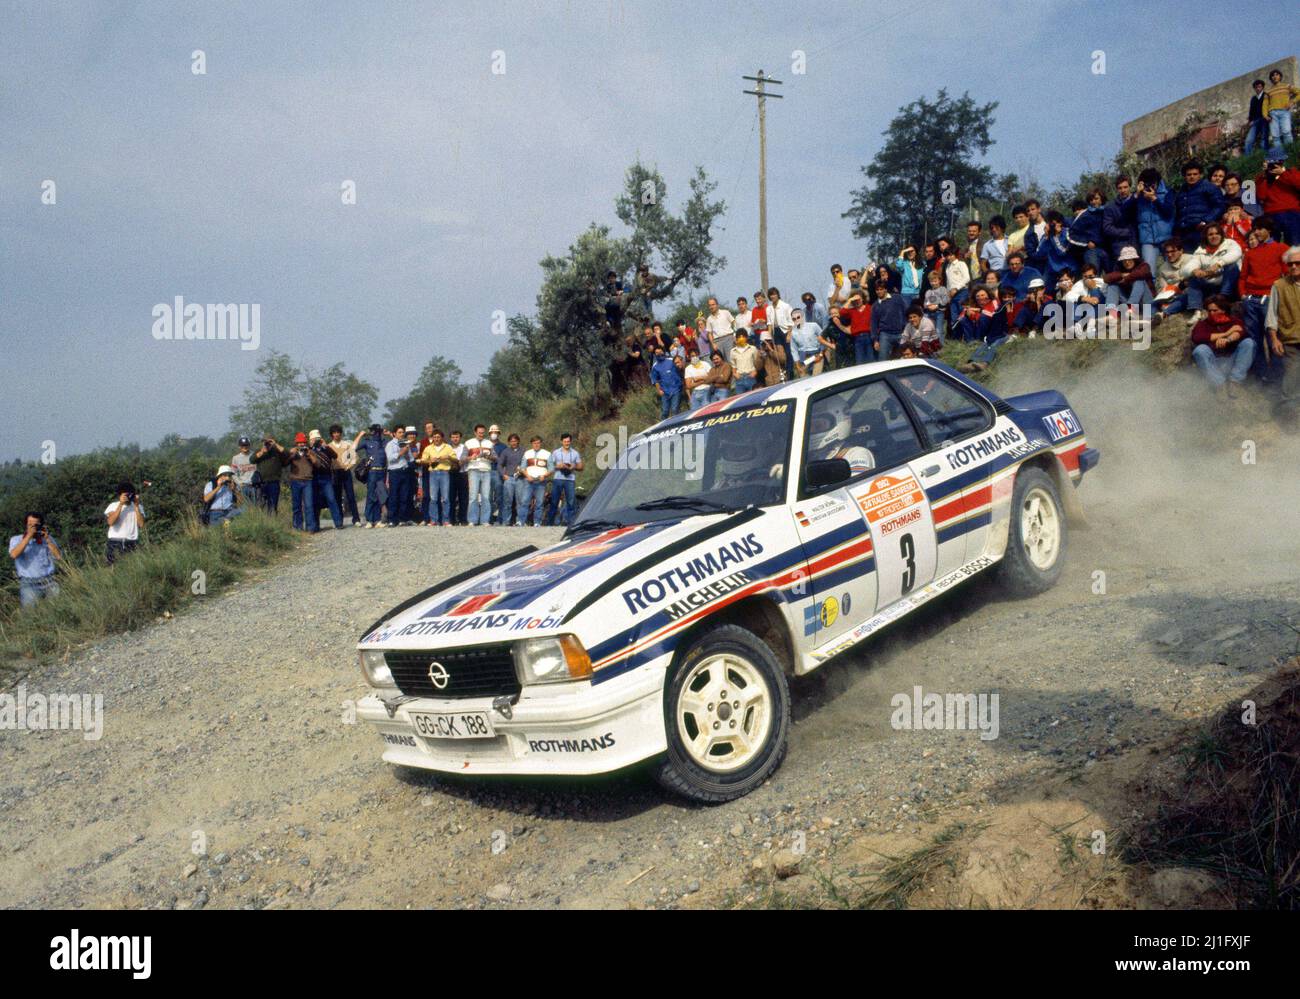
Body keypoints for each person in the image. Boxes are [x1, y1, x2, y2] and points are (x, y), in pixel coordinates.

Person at [1238, 215, 1289, 380]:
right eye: (1255, 229)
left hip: (1269, 298)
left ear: (1269, 230)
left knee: (1273, 336)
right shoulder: (1251, 253)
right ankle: (1261, 375)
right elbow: (1243, 277)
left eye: (1260, 229)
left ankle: (1277, 376)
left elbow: (1287, 274)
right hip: (1250, 300)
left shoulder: (1281, 248)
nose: (1257, 232)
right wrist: (1243, 295)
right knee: (1254, 339)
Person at [1191, 295, 1255, 398]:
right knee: (1199, 350)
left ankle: (1235, 382)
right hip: (1214, 363)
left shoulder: (1234, 321)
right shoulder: (1203, 324)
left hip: (1232, 361)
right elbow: (1197, 337)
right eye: (1209, 311)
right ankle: (1219, 384)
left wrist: (1228, 339)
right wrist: (1226, 334)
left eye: (1215, 310)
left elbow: (1239, 332)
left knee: (1249, 343)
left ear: (1223, 310)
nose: (1211, 313)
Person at [1265, 246, 1300, 424]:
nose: (1293, 267)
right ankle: (1289, 420)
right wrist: (1274, 338)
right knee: (1292, 376)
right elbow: (1272, 315)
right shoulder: (1279, 286)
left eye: (1297, 263)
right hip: (1290, 339)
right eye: (1290, 264)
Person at [1174, 161, 1226, 260]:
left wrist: (1205, 221)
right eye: (1189, 174)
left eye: (1195, 174)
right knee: (1188, 262)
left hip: (1201, 231)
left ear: (1200, 175)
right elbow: (1178, 211)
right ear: (1184, 176)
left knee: (1204, 260)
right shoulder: (1181, 191)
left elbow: (1219, 206)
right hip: (1184, 233)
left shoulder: (1209, 187)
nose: (1192, 177)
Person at [9, 513, 62, 608]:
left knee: (56, 610)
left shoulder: (47, 539)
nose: (33, 527)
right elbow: (14, 555)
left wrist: (47, 539)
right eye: (30, 525)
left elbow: (58, 557)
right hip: (29, 584)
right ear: (26, 525)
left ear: (41, 525)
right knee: (30, 615)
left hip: (50, 581)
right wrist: (29, 536)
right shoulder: (16, 539)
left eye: (36, 525)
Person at [1134, 168, 1176, 278]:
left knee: (1173, 268)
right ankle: (1151, 294)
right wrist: (1136, 196)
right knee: (1148, 273)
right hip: (1148, 239)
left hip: (1166, 237)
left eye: (1152, 184)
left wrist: (1154, 199)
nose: (1150, 187)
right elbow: (1125, 212)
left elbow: (1168, 212)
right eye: (1147, 184)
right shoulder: (1138, 196)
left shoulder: (1168, 192)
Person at [1255, 158, 1300, 246]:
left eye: (1276, 163)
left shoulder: (1291, 172)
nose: (1273, 166)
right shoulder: (1262, 177)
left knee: (1295, 244)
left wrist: (1283, 173)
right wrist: (1265, 176)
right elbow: (1261, 196)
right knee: (1271, 244)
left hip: (1291, 212)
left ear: (1281, 163)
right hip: (1271, 214)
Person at [418, 428, 456, 526]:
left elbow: (456, 459)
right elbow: (422, 460)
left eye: (438, 437)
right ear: (432, 438)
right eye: (434, 437)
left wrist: (448, 457)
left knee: (445, 498)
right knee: (433, 498)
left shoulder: (448, 447)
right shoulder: (428, 448)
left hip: (444, 473)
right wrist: (430, 460)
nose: (436, 439)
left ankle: (446, 520)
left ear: (442, 438)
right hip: (433, 473)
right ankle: (434, 520)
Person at [308, 429, 344, 530]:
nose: (316, 441)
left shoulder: (325, 449)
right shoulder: (309, 450)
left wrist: (325, 445)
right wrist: (310, 446)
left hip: (326, 478)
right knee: (316, 502)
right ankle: (315, 525)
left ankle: (338, 523)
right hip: (314, 478)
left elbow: (335, 456)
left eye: (318, 439)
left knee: (331, 499)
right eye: (314, 439)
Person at [1104, 245, 1154, 317]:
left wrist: (1127, 278)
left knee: (1139, 280)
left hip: (1146, 302)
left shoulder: (1144, 266)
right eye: (1124, 260)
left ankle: (1132, 307)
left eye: (1130, 259)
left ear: (1135, 259)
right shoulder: (1120, 269)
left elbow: (1142, 273)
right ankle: (1111, 312)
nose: (1127, 262)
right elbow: (1106, 278)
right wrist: (1122, 275)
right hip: (1128, 302)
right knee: (1112, 285)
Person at [353, 423, 387, 528]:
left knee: (379, 495)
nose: (375, 433)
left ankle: (377, 520)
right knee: (371, 495)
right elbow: (353, 447)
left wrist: (389, 434)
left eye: (377, 431)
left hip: (382, 471)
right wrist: (360, 435)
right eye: (373, 431)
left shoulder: (384, 442)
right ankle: (369, 520)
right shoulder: (367, 442)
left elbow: (398, 444)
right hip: (372, 471)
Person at [284, 436, 321, 531]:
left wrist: (309, 454)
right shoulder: (293, 452)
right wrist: (291, 454)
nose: (301, 444)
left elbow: (317, 464)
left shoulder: (309, 452)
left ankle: (310, 528)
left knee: (309, 505)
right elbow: (284, 463)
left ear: (306, 443)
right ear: (296, 443)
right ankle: (297, 527)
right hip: (295, 480)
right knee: (296, 506)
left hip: (307, 481)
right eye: (299, 443)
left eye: (303, 442)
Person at [459, 424, 494, 526]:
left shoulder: (489, 443)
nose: (481, 434)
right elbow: (462, 459)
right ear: (475, 432)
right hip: (473, 470)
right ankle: (472, 520)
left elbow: (496, 458)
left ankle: (485, 520)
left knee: (486, 497)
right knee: (473, 496)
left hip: (486, 470)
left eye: (483, 433)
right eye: (479, 433)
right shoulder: (468, 443)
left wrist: (489, 456)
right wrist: (470, 457)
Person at [544, 434, 582, 526]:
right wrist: (558, 466)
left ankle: (570, 524)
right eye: (565, 441)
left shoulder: (575, 453)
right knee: (554, 501)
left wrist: (574, 466)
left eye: (568, 441)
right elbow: (549, 465)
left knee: (571, 502)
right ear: (561, 441)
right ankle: (549, 524)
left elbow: (581, 467)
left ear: (570, 441)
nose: (566, 443)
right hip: (558, 479)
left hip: (570, 479)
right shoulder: (556, 452)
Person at [328, 424, 361, 526]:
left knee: (350, 496)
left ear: (341, 434)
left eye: (338, 432)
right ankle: (339, 520)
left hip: (345, 472)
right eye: (334, 433)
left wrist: (349, 466)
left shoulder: (346, 445)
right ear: (331, 435)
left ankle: (356, 519)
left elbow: (354, 456)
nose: (336, 434)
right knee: (337, 497)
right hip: (335, 473)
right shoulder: (329, 446)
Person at [384, 423, 415, 527]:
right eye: (400, 432)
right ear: (394, 434)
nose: (402, 434)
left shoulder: (405, 443)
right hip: (395, 472)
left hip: (405, 471)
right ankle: (392, 519)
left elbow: (411, 458)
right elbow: (390, 458)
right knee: (394, 496)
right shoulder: (390, 444)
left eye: (403, 432)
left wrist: (407, 454)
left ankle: (403, 519)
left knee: (404, 496)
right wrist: (401, 453)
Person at [105, 481, 144, 564]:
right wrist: (121, 505)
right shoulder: (113, 505)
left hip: (132, 541)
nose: (128, 497)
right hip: (115, 541)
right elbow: (110, 522)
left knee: (132, 568)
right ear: (120, 495)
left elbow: (141, 524)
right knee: (113, 567)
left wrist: (136, 506)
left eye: (129, 494)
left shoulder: (139, 506)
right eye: (125, 495)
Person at [1263, 67, 1298, 158]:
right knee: (1275, 137)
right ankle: (1280, 156)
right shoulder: (1268, 91)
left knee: (1287, 132)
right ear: (1271, 78)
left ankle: (1291, 153)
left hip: (1284, 112)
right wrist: (1265, 115)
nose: (1275, 77)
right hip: (1272, 114)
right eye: (1273, 75)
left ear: (1280, 76)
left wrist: (1292, 102)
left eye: (1276, 75)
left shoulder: (1287, 86)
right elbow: (1265, 104)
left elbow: (1299, 93)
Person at [1103, 176, 1138, 261]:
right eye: (1120, 188)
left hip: (1137, 242)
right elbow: (1107, 228)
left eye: (1125, 187)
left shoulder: (1138, 200)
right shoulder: (1110, 206)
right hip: (1120, 245)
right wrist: (1124, 232)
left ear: (1130, 187)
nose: (1123, 190)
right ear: (1117, 189)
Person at [789, 307, 832, 376]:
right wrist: (797, 365)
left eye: (798, 317)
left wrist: (821, 354)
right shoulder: (793, 332)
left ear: (802, 316)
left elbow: (823, 339)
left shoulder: (813, 326)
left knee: (816, 377)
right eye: (794, 319)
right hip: (804, 358)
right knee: (804, 379)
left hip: (817, 355)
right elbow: (794, 350)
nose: (796, 320)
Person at [869, 280, 906, 360]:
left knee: (903, 359)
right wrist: (875, 340)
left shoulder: (897, 298)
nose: (879, 291)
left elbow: (905, 311)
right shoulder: (875, 306)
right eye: (877, 290)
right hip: (885, 335)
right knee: (882, 360)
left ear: (885, 289)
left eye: (881, 289)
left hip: (900, 333)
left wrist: (905, 328)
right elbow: (874, 324)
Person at [496, 433, 525, 526]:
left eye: (515, 441)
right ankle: (506, 521)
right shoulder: (505, 451)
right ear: (509, 442)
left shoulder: (524, 451)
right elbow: (499, 464)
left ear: (518, 441)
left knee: (520, 501)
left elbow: (527, 463)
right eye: (511, 441)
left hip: (521, 478)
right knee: (507, 501)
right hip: (509, 478)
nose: (513, 443)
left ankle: (520, 521)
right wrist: (503, 475)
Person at [252, 436, 286, 512]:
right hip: (261, 483)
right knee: (261, 505)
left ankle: (273, 521)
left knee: (273, 505)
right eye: (265, 442)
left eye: (269, 442)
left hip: (274, 482)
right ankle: (264, 521)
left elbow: (286, 453)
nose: (267, 443)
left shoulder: (277, 451)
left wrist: (276, 445)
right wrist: (262, 452)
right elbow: (252, 460)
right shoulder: (259, 451)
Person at [522, 436, 551, 527]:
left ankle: (537, 522)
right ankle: (521, 521)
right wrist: (527, 476)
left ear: (541, 443)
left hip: (540, 481)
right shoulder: (527, 453)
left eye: (538, 443)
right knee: (525, 502)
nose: (536, 445)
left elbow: (551, 468)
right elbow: (522, 468)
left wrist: (545, 475)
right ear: (532, 444)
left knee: (539, 503)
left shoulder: (547, 454)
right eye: (534, 443)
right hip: (529, 480)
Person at [650, 344, 684, 418]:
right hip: (665, 392)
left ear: (664, 352)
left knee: (675, 410)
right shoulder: (655, 366)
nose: (659, 354)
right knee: (665, 412)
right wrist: (659, 390)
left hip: (676, 389)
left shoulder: (671, 360)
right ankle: (663, 427)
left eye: (660, 352)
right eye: (657, 353)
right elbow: (655, 380)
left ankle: (677, 425)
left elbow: (680, 367)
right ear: (654, 354)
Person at [448, 429, 469, 525]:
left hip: (462, 473)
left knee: (463, 498)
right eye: (453, 437)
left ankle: (463, 519)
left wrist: (457, 462)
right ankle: (451, 519)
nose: (455, 439)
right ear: (450, 438)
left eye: (457, 437)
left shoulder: (464, 447)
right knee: (451, 497)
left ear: (460, 438)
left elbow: (464, 460)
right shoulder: (447, 447)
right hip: (450, 474)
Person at [230, 436, 259, 504]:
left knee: (256, 507)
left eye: (246, 445)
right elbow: (233, 473)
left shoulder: (255, 455)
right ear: (239, 446)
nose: (244, 447)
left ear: (249, 445)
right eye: (242, 445)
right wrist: (239, 483)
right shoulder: (235, 458)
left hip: (254, 486)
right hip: (243, 486)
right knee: (245, 508)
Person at [1245, 79, 1269, 155]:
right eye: (1256, 87)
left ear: (1262, 87)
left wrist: (1269, 117)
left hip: (1264, 119)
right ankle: (1248, 158)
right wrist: (1250, 121)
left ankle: (1264, 156)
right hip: (1255, 121)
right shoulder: (1253, 98)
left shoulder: (1266, 95)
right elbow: (1251, 111)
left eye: (1259, 87)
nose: (1258, 88)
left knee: (1264, 138)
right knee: (1249, 140)